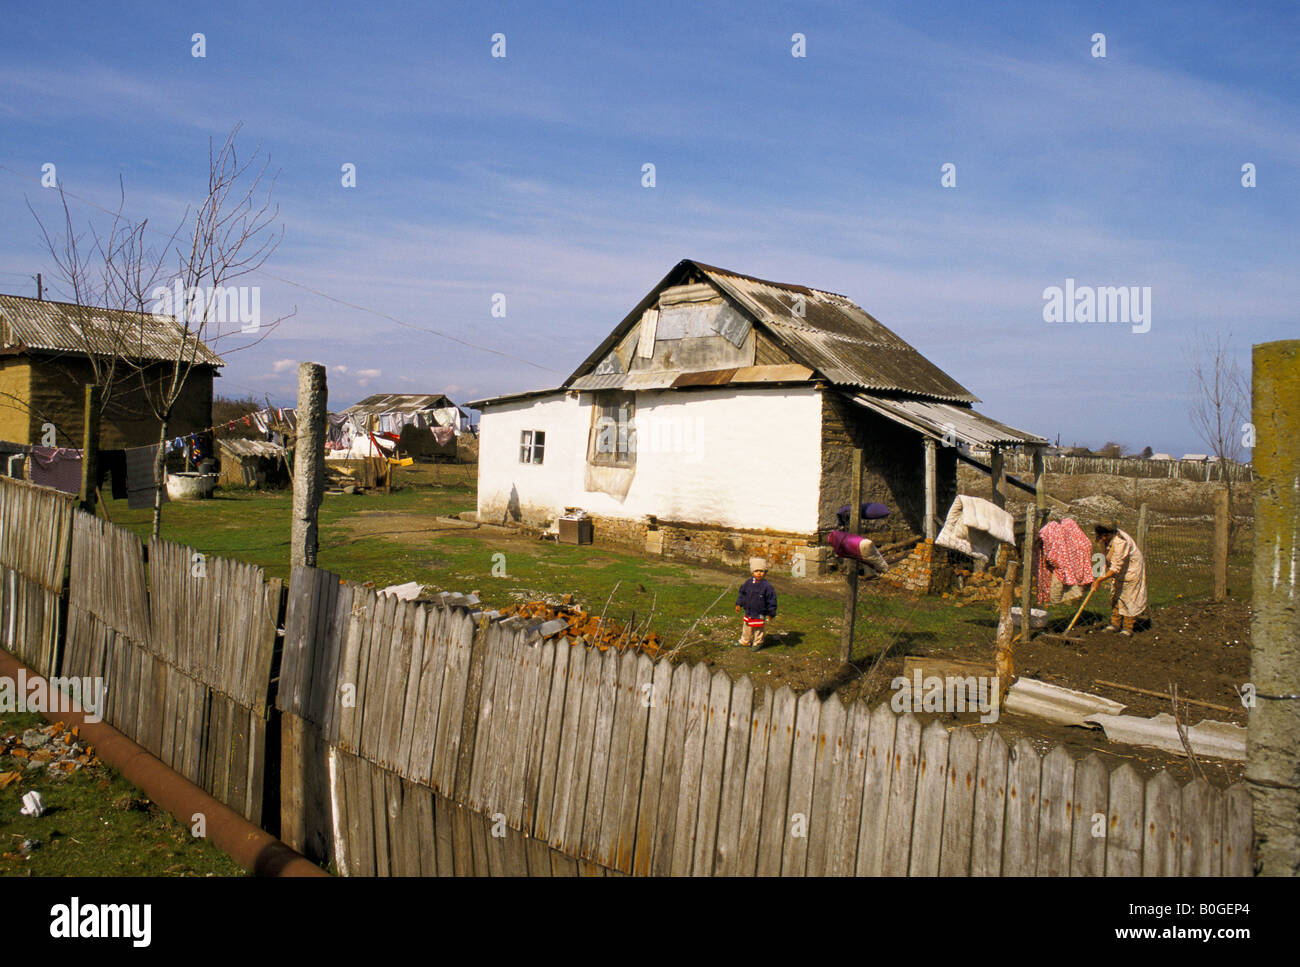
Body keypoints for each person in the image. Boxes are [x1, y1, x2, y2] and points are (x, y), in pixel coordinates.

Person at [1092, 519, 1148, 636]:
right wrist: (1101, 574)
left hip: (1131, 569)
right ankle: (1115, 624)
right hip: (1119, 568)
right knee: (1116, 594)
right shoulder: (1105, 539)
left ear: (1108, 534)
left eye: (1103, 536)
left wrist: (1100, 580)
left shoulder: (1120, 542)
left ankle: (1127, 628)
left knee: (1129, 597)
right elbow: (1106, 557)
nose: (1101, 539)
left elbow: (1116, 567)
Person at [735, 557, 777, 651]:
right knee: (747, 627)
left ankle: (758, 642)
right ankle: (745, 641)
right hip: (749, 610)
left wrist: (771, 613)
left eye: (761, 571)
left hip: (760, 611)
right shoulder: (748, 583)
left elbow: (772, 600)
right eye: (756, 571)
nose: (759, 573)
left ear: (765, 572)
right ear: (752, 572)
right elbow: (742, 593)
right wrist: (739, 604)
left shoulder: (767, 586)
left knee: (758, 628)